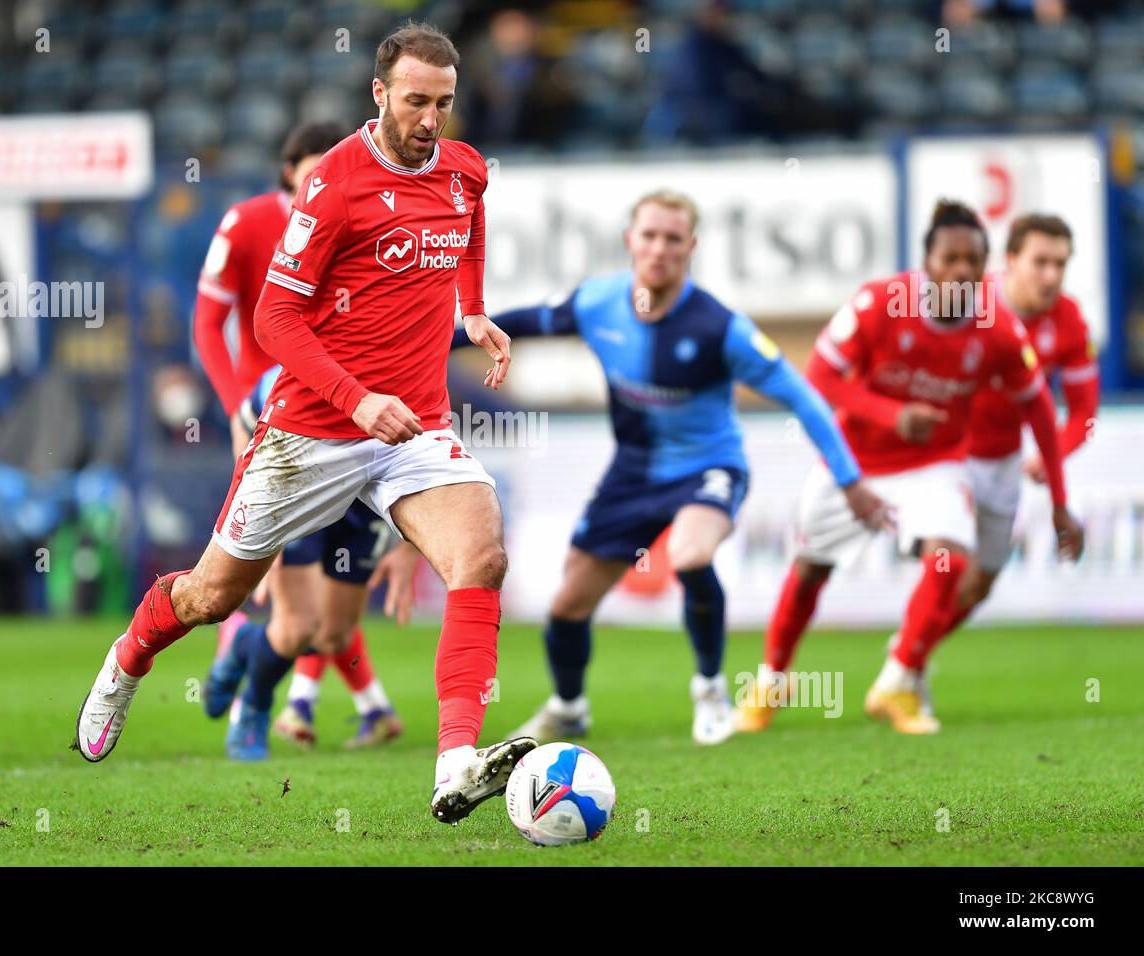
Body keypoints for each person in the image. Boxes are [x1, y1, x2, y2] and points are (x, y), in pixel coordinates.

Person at [76, 22, 537, 825]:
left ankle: (456, 763)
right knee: (212, 598)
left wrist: (473, 313)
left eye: (444, 103)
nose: (431, 120)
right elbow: (275, 320)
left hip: (414, 429)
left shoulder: (464, 170)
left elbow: (467, 229)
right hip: (314, 429)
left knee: (483, 556)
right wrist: (358, 400)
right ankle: (125, 663)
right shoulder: (334, 185)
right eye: (416, 102)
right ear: (379, 94)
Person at [457, 189, 887, 746]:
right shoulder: (597, 304)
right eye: (650, 235)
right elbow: (524, 322)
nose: (659, 248)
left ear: (692, 247)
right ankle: (568, 708)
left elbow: (803, 398)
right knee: (566, 607)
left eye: (673, 239)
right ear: (629, 241)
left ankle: (709, 688)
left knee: (691, 555)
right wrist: (436, 342)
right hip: (632, 474)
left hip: (709, 469)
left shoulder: (719, 328)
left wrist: (850, 480)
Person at [736, 200, 1082, 736]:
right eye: (951, 258)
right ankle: (771, 681)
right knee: (810, 569)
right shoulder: (879, 303)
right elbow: (819, 379)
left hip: (934, 465)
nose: (962, 270)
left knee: (949, 555)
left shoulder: (999, 331)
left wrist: (1060, 502)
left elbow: (1039, 406)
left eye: (973, 260)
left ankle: (899, 679)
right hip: (855, 461)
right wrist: (892, 414)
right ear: (928, 262)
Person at [191, 121, 411, 759]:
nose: (326, 179)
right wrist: (239, 409)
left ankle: (245, 652)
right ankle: (254, 706)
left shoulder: (375, 227)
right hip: (291, 422)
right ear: (290, 172)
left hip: (367, 437)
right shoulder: (249, 223)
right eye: (313, 169)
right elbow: (209, 321)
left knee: (336, 630)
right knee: (298, 625)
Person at [934, 213, 1095, 641]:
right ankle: (906, 667)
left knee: (980, 583)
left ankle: (910, 658)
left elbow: (1085, 414)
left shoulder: (1070, 321)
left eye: (1060, 264)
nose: (1051, 275)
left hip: (1002, 460)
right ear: (1009, 261)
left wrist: (1052, 454)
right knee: (947, 560)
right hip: (947, 455)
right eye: (1040, 262)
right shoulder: (969, 304)